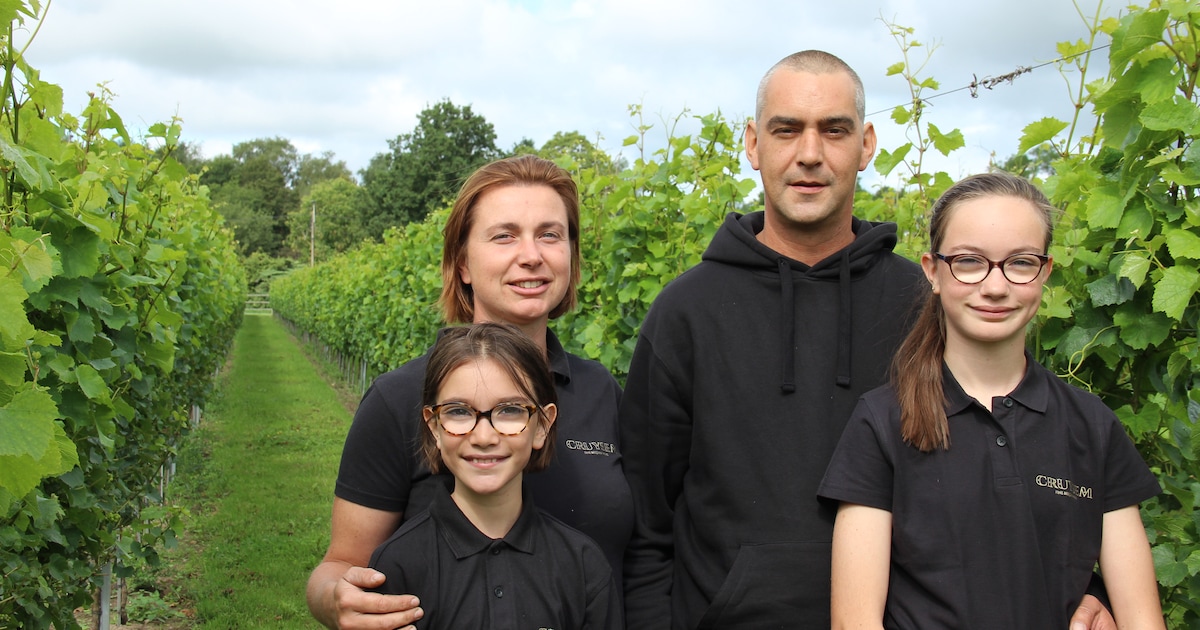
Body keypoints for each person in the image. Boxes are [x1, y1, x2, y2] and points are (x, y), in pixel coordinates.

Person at [618, 50, 1119, 629]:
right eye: (787, 130)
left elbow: (1014, 454)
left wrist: (1083, 586)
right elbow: (647, 525)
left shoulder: (927, 303)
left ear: (866, 144)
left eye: (834, 130)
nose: (810, 153)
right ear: (753, 144)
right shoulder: (686, 311)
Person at [819, 171, 1164, 629]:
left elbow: (1142, 620)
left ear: (1045, 272)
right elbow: (854, 623)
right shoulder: (883, 421)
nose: (996, 286)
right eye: (969, 261)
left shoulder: (1091, 426)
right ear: (932, 271)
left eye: (1020, 262)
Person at [307, 155, 633, 630]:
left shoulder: (601, 390)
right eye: (504, 236)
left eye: (550, 234)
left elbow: (642, 556)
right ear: (462, 263)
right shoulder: (399, 398)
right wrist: (336, 601)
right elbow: (340, 566)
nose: (531, 255)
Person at [368, 323, 622, 629]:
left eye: (510, 410)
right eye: (459, 411)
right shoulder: (398, 565)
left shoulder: (582, 566)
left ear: (542, 425)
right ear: (434, 426)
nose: (484, 437)